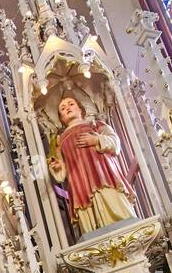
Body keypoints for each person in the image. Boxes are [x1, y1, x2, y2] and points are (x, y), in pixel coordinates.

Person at [47, 96, 137, 235]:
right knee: (92, 229)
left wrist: (96, 140)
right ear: (61, 118)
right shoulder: (60, 141)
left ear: (80, 110)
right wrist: (58, 167)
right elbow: (62, 173)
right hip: (80, 184)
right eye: (63, 109)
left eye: (71, 104)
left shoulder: (96, 125)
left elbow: (115, 144)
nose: (68, 108)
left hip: (104, 175)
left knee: (118, 211)